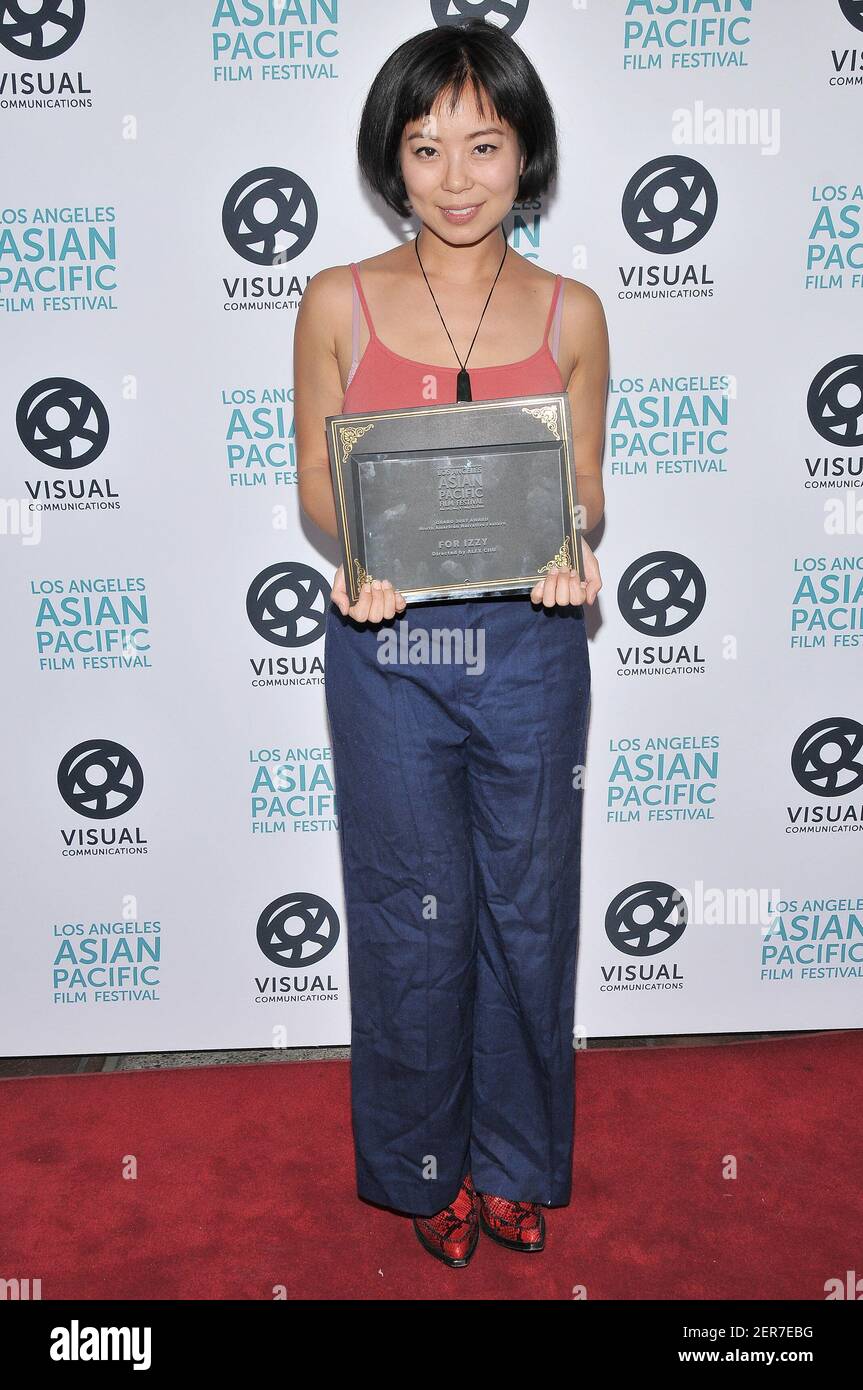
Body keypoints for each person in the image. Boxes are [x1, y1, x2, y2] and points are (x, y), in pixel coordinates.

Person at [293, 19, 608, 1268]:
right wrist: (357, 558)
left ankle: (520, 1163)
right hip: (386, 658)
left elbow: (582, 484)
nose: (458, 176)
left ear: (523, 151)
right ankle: (426, 1169)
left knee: (527, 913)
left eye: (484, 144)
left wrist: (572, 540)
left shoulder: (573, 312)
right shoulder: (335, 300)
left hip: (531, 648)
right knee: (407, 919)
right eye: (427, 149)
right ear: (392, 160)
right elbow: (321, 494)